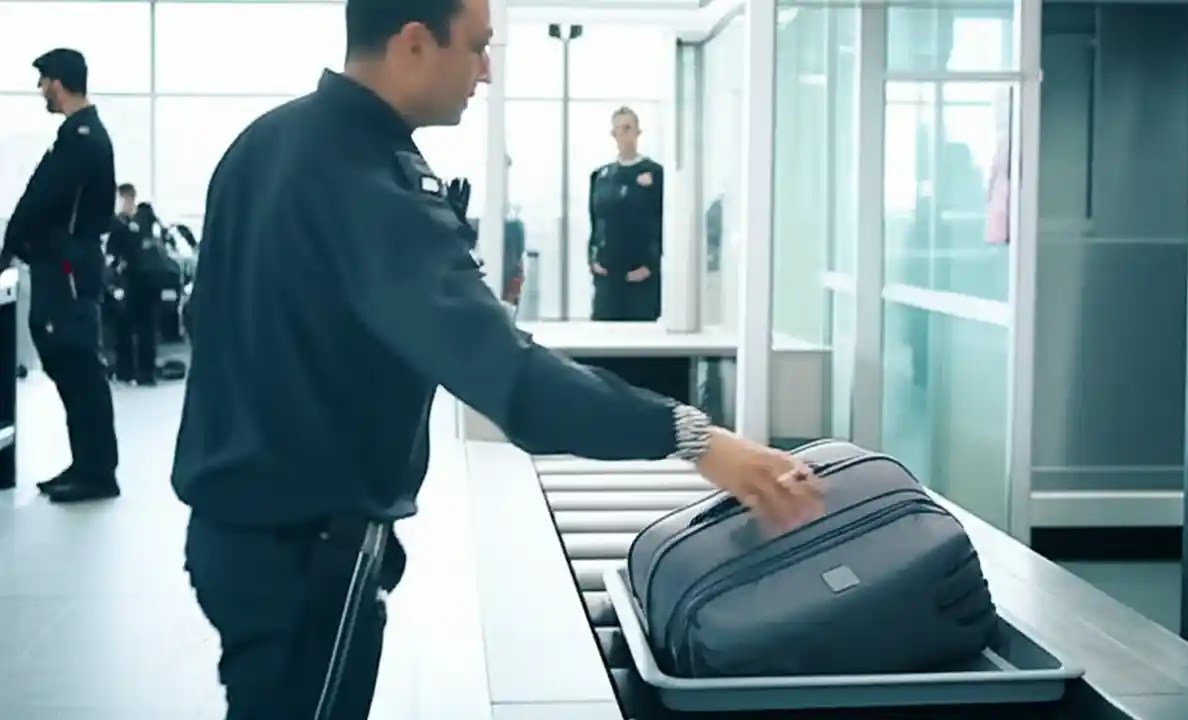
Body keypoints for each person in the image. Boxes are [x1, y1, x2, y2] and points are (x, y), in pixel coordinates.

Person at [171, 1, 823, 718]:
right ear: (415, 43)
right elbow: (513, 382)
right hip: (305, 551)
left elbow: (205, 317)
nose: (485, 70)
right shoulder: (371, 182)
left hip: (232, 529)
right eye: (477, 46)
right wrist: (694, 437)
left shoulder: (264, 144)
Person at [1, 48, 120, 503]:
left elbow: (44, 200)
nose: (40, 91)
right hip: (61, 263)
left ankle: (98, 473)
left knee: (77, 362)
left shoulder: (83, 138)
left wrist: (15, 244)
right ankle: (86, 464)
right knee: (68, 363)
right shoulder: (76, 135)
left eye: (43, 81)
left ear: (59, 81)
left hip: (68, 267)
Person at [588, 106, 664, 322]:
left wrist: (651, 263)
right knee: (604, 326)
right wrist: (592, 259)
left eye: (628, 128)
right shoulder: (602, 176)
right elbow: (595, 219)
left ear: (638, 132)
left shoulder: (655, 174)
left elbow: (660, 222)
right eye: (619, 130)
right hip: (606, 272)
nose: (624, 135)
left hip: (640, 272)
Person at [106, 201, 166, 385]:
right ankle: (146, 373)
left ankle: (125, 371)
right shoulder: (153, 234)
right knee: (148, 330)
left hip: (132, 284)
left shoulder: (124, 231)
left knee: (125, 328)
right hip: (152, 285)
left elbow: (113, 260)